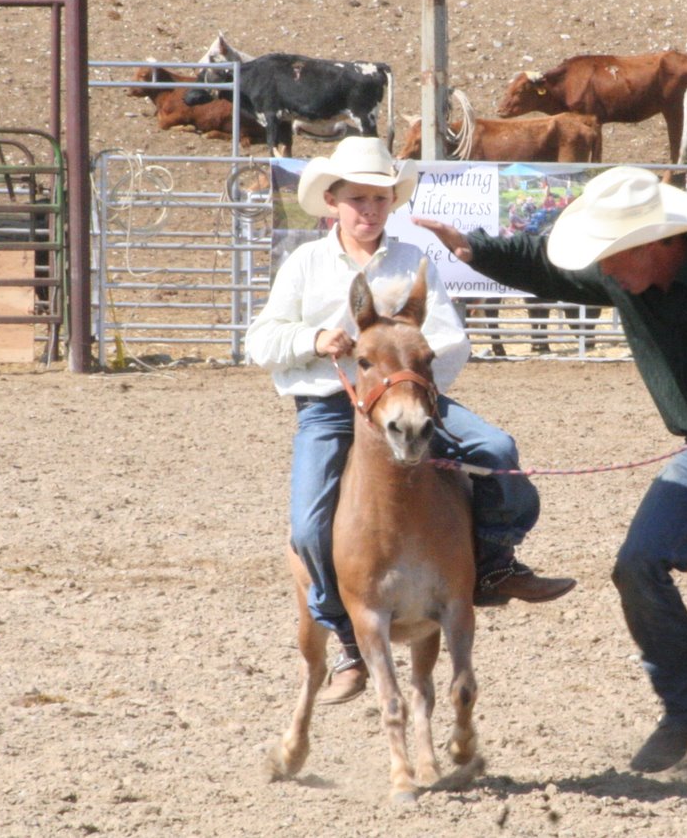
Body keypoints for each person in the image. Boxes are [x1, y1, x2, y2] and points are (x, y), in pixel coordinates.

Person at [416, 166, 687, 802]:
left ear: (659, 242)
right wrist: (476, 250)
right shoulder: (630, 276)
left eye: (613, 255)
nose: (604, 270)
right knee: (637, 565)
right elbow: (551, 269)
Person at [246, 137, 576, 706]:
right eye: (357, 200)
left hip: (411, 401)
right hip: (330, 407)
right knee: (308, 526)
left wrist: (412, 383)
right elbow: (261, 340)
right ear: (332, 201)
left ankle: (494, 563)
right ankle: (347, 637)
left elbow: (450, 339)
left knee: (496, 450)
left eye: (378, 199)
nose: (368, 211)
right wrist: (314, 339)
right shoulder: (304, 263)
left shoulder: (411, 262)